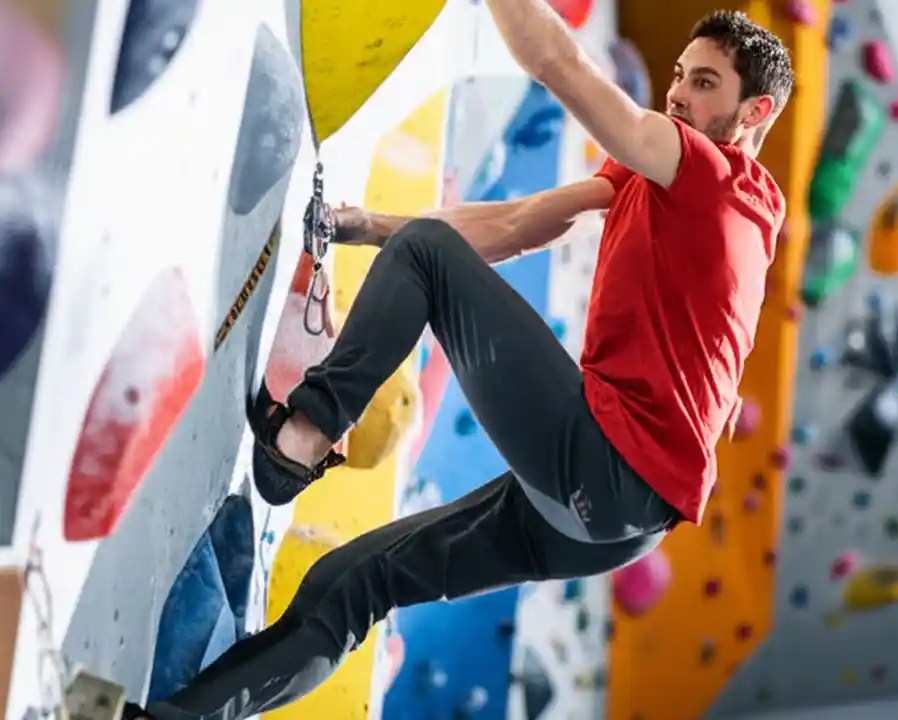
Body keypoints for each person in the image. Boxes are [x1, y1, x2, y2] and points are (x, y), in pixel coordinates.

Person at [127, 5, 792, 718]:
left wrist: (409, 246)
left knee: (427, 254)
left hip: (609, 466)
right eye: (679, 76)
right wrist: (372, 229)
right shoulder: (697, 187)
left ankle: (306, 436)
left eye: (704, 83)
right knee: (354, 582)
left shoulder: (708, 173)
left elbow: (560, 68)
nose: (677, 94)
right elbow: (517, 224)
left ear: (753, 112)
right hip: (615, 529)